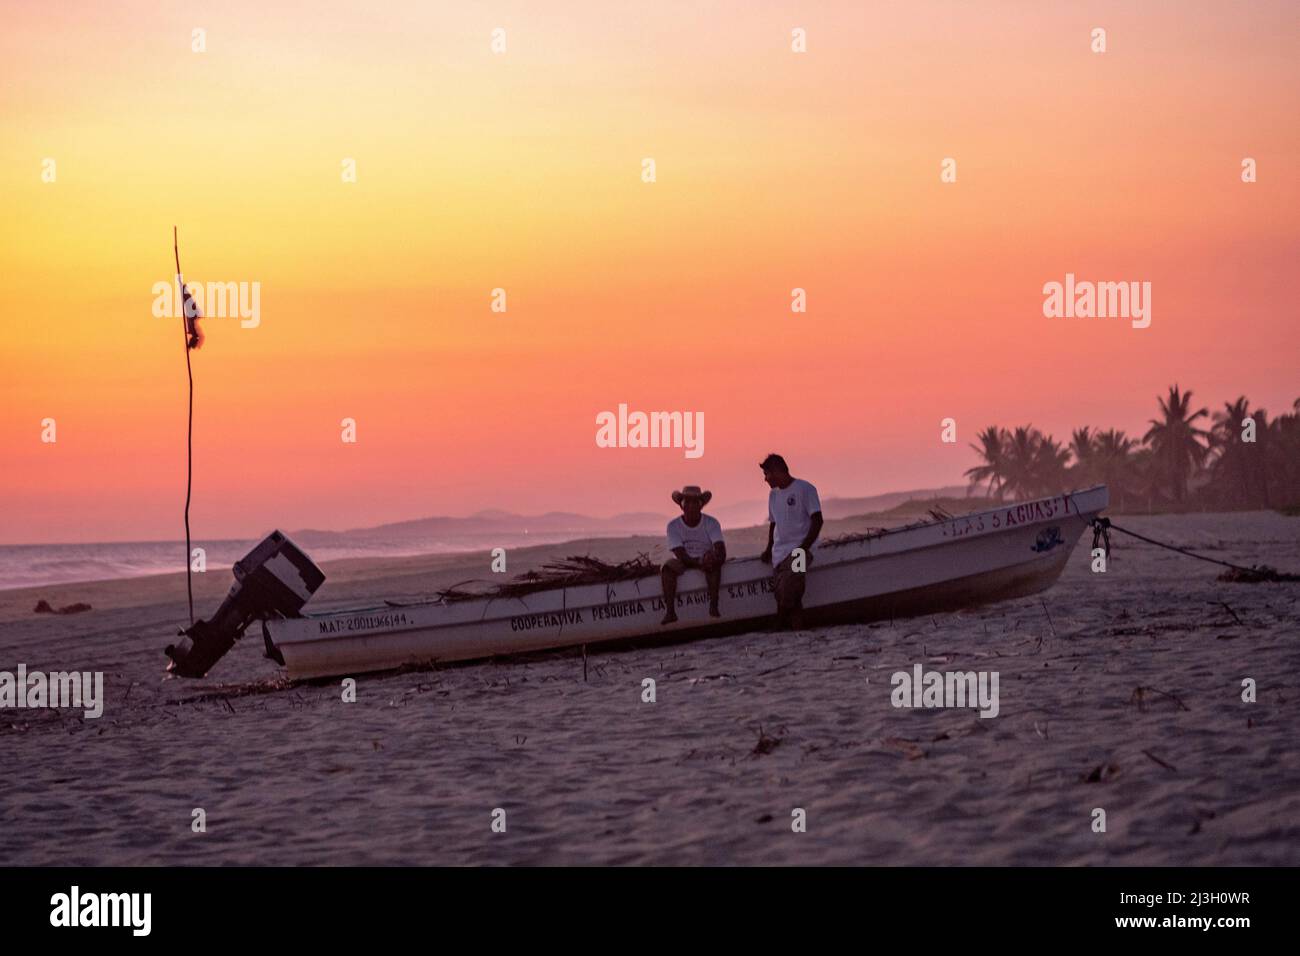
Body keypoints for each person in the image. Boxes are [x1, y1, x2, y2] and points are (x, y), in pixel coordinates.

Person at [758, 453, 823, 629]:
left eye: (767, 474)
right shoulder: (773, 495)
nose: (765, 479)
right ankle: (796, 627)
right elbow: (774, 523)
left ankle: (779, 623)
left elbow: (817, 520)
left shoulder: (805, 488)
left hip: (802, 551)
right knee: (784, 591)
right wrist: (769, 548)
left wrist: (804, 548)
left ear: (778, 471)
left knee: (790, 587)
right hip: (779, 553)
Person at [660, 485, 726, 625]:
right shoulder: (673, 526)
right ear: (681, 505)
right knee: (667, 568)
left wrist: (712, 558)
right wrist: (699, 562)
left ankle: (714, 606)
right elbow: (680, 553)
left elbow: (720, 549)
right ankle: (670, 612)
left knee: (714, 564)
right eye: (687, 502)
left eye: (694, 502)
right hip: (684, 560)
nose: (690, 506)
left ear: (701, 505)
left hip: (707, 557)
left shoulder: (711, 523)